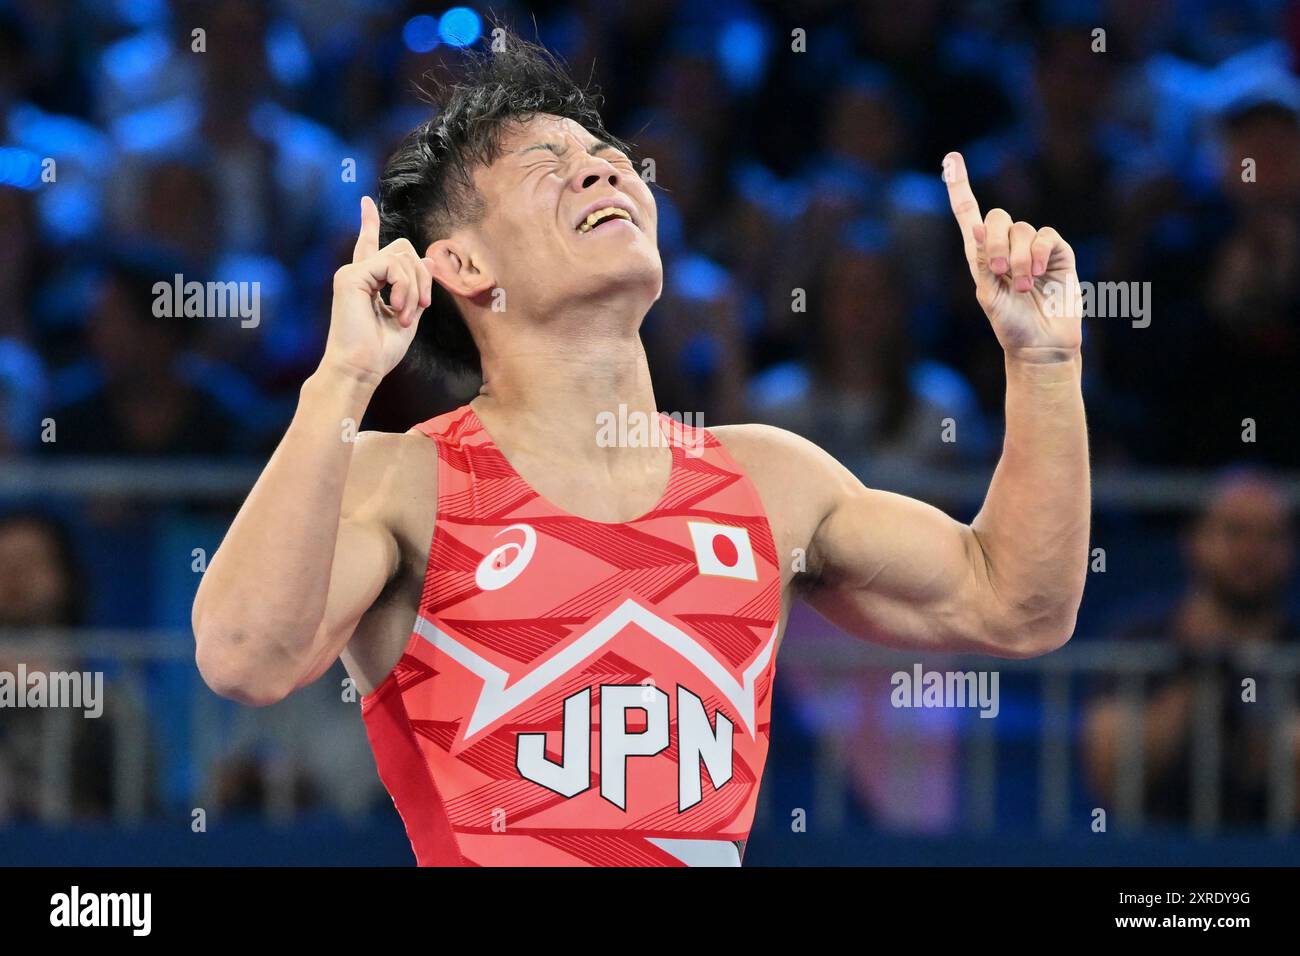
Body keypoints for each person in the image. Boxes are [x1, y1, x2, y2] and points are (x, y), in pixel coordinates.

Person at [192, 40, 1089, 866]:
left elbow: (1017, 605)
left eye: (605, 156)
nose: (602, 168)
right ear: (462, 266)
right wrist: (342, 380)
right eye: (549, 164)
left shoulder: (771, 479)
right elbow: (244, 656)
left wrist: (1044, 364)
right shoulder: (404, 483)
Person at [1082, 470, 1299, 826]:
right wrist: (1197, 681)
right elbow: (1107, 774)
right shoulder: (1140, 638)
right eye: (1234, 532)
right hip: (1154, 852)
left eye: (1270, 536)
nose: (1251, 551)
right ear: (1195, 540)